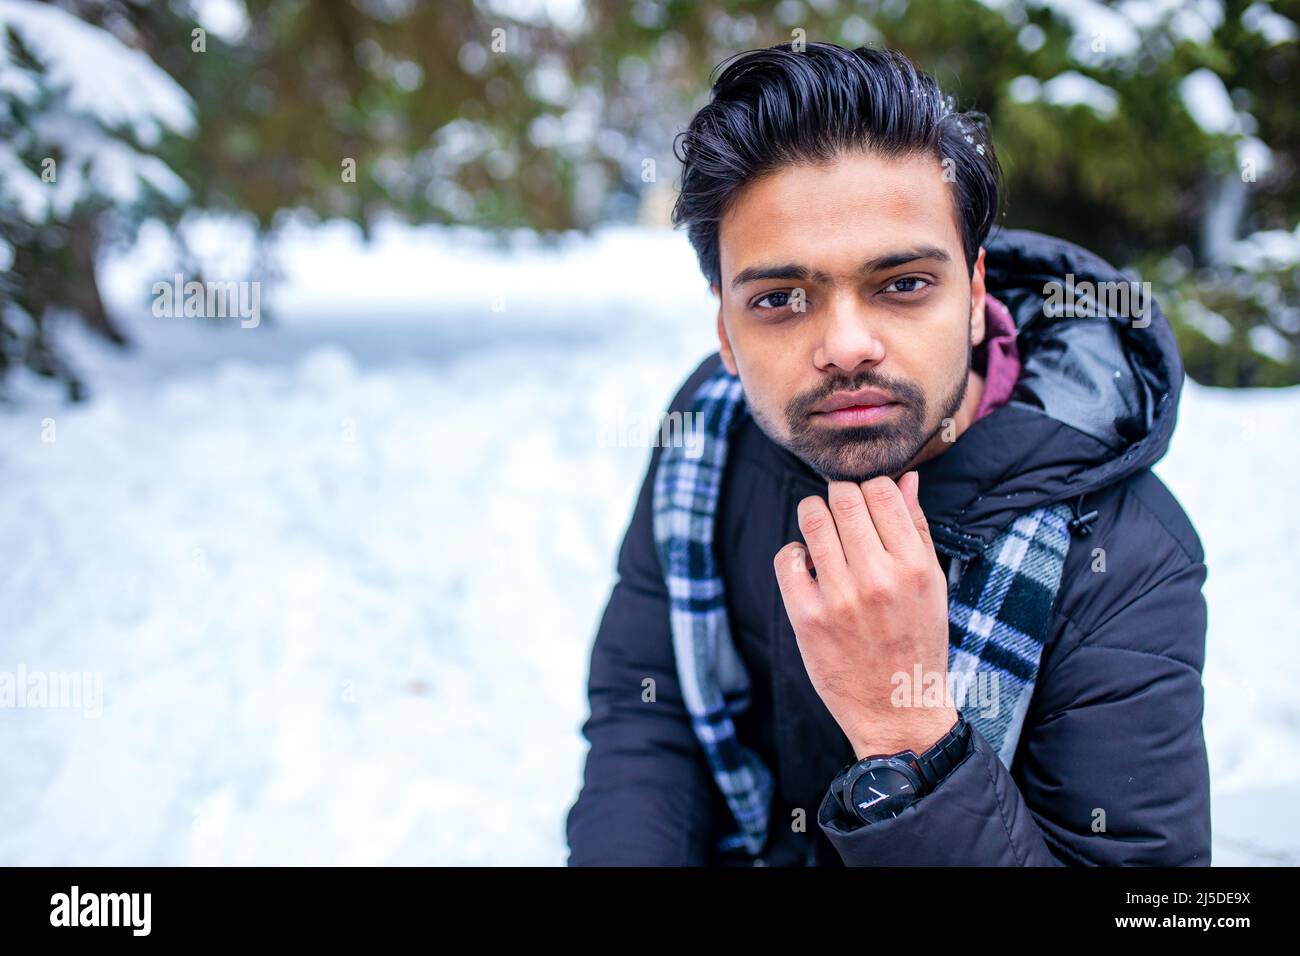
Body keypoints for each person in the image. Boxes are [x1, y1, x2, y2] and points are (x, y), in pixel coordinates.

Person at [565, 42, 1210, 866]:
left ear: (975, 296)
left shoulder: (1127, 555)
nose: (846, 345)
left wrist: (910, 740)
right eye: (779, 300)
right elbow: (647, 719)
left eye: (902, 284)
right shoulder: (709, 442)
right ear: (726, 333)